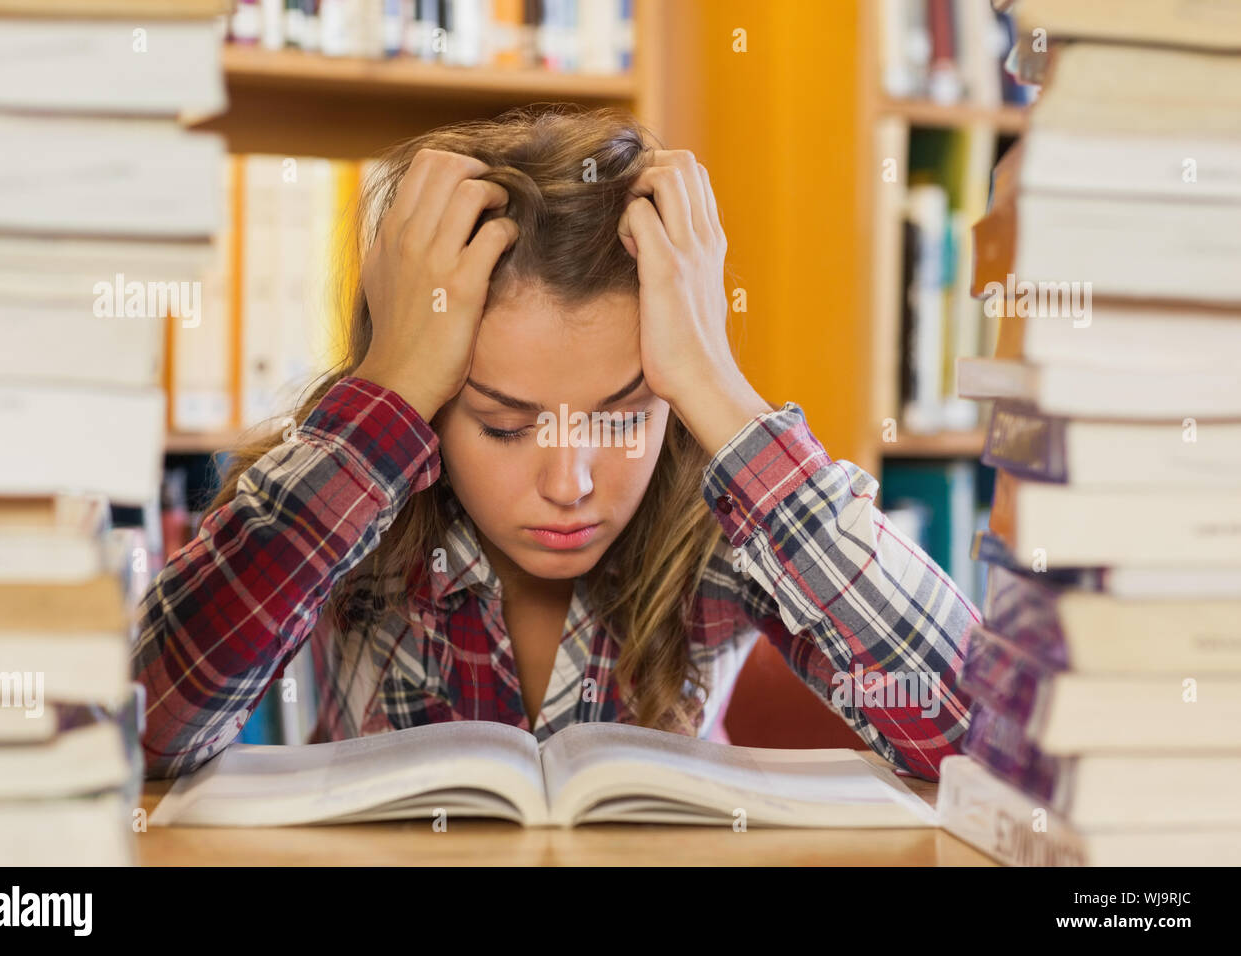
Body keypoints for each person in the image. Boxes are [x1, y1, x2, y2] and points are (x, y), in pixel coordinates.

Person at [132, 105, 980, 781]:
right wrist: (385, 394)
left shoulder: (714, 525)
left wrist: (719, 390)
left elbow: (980, 740)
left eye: (621, 415)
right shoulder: (350, 499)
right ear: (429, 407)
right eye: (504, 424)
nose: (569, 483)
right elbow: (142, 729)